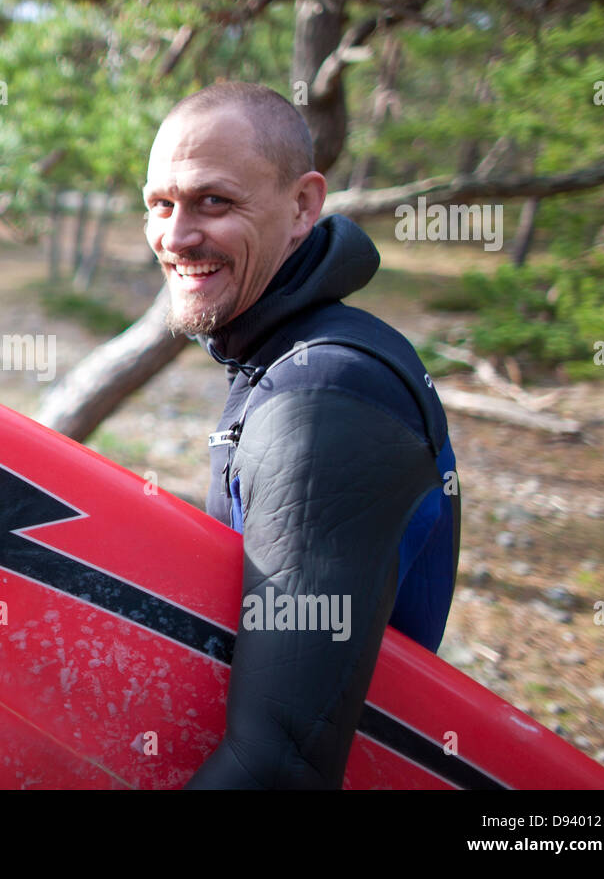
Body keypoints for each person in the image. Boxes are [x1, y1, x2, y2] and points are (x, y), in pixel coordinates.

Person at [142, 81, 460, 789]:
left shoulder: (322, 396)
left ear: (304, 206)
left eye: (213, 201)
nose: (175, 235)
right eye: (160, 204)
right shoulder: (286, 353)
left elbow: (280, 767)